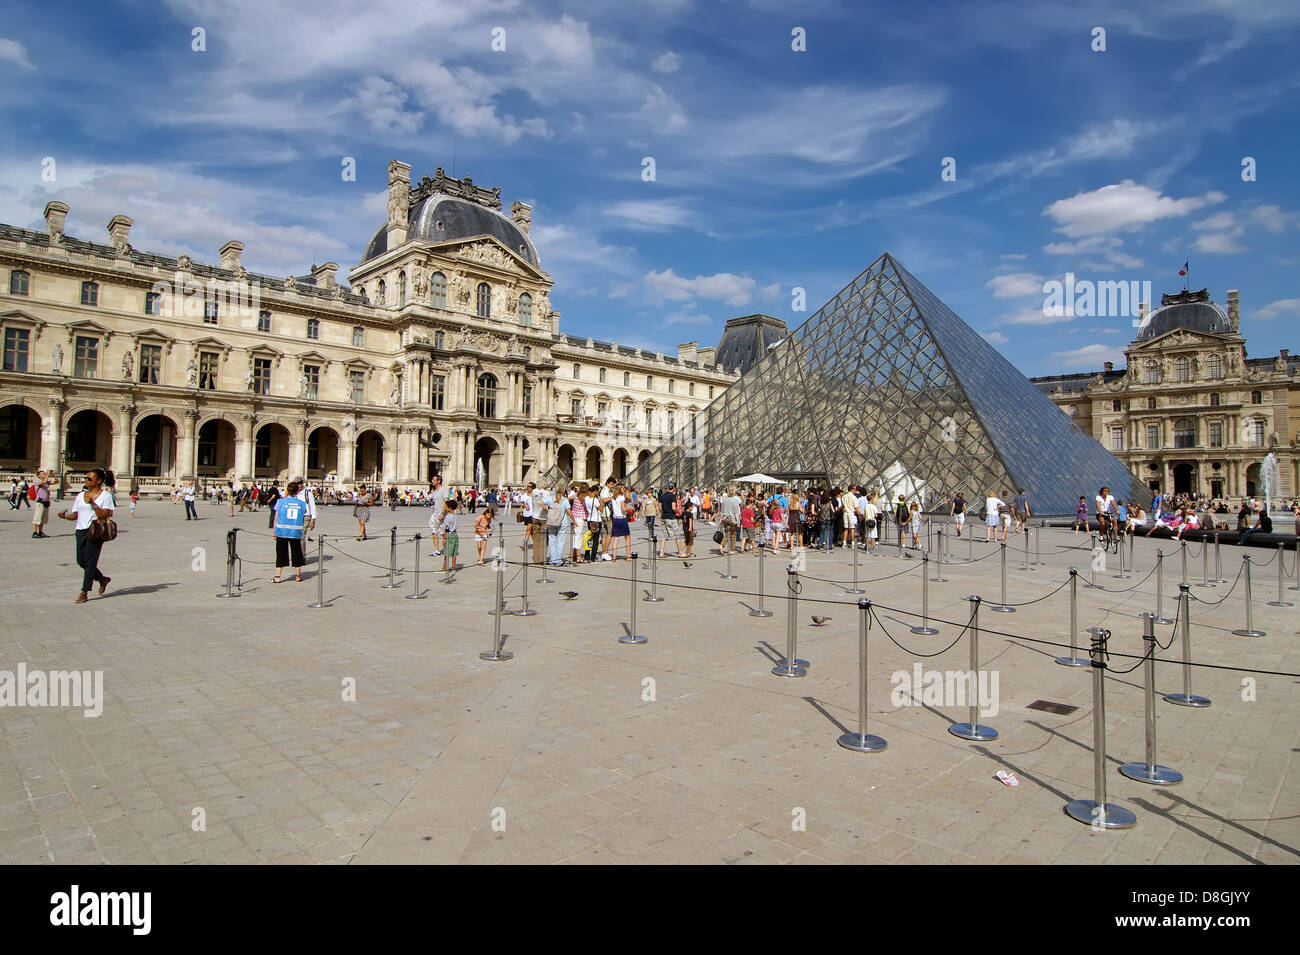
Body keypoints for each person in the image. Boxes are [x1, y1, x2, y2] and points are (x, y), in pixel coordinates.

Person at [56, 467, 114, 603]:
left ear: (98, 481)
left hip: (95, 531)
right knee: (81, 561)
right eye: (86, 478)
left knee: (90, 562)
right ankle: (102, 579)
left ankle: (84, 591)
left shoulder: (105, 496)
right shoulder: (80, 495)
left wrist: (92, 503)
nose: (86, 481)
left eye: (89, 479)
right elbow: (76, 514)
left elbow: (105, 514)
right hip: (80, 530)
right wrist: (65, 517)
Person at [271, 480, 308, 582]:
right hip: (295, 532)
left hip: (282, 531)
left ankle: (277, 577)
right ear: (297, 492)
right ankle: (298, 576)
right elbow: (303, 516)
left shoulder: (280, 502)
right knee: (297, 553)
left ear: (287, 490)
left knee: (281, 553)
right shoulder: (302, 504)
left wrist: (274, 531)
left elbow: (276, 518)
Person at [609, 483, 633, 561]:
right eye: (622, 488)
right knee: (627, 538)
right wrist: (630, 509)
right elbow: (623, 508)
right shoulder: (621, 498)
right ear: (619, 489)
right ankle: (628, 556)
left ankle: (614, 557)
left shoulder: (613, 498)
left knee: (616, 538)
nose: (624, 489)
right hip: (622, 519)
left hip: (615, 519)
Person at [719, 485, 742, 555]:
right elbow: (736, 512)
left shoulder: (724, 500)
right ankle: (732, 550)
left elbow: (722, 511)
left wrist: (720, 519)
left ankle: (721, 545)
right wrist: (738, 521)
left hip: (725, 519)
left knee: (726, 534)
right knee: (733, 534)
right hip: (732, 519)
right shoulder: (734, 501)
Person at [438, 499, 461, 571]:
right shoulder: (454, 516)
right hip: (455, 534)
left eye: (447, 507)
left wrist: (444, 539)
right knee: (454, 553)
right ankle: (453, 567)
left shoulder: (448, 517)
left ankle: (444, 568)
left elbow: (446, 528)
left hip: (449, 535)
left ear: (450, 508)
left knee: (446, 553)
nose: (445, 508)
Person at [31, 470, 51, 538]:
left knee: (43, 519)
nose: (44, 474)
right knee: (37, 518)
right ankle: (34, 532)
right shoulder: (36, 481)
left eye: (45, 473)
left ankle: (40, 532)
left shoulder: (46, 483)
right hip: (40, 502)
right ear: (39, 475)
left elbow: (57, 482)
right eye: (43, 474)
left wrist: (53, 475)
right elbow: (44, 481)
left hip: (46, 502)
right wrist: (48, 474)